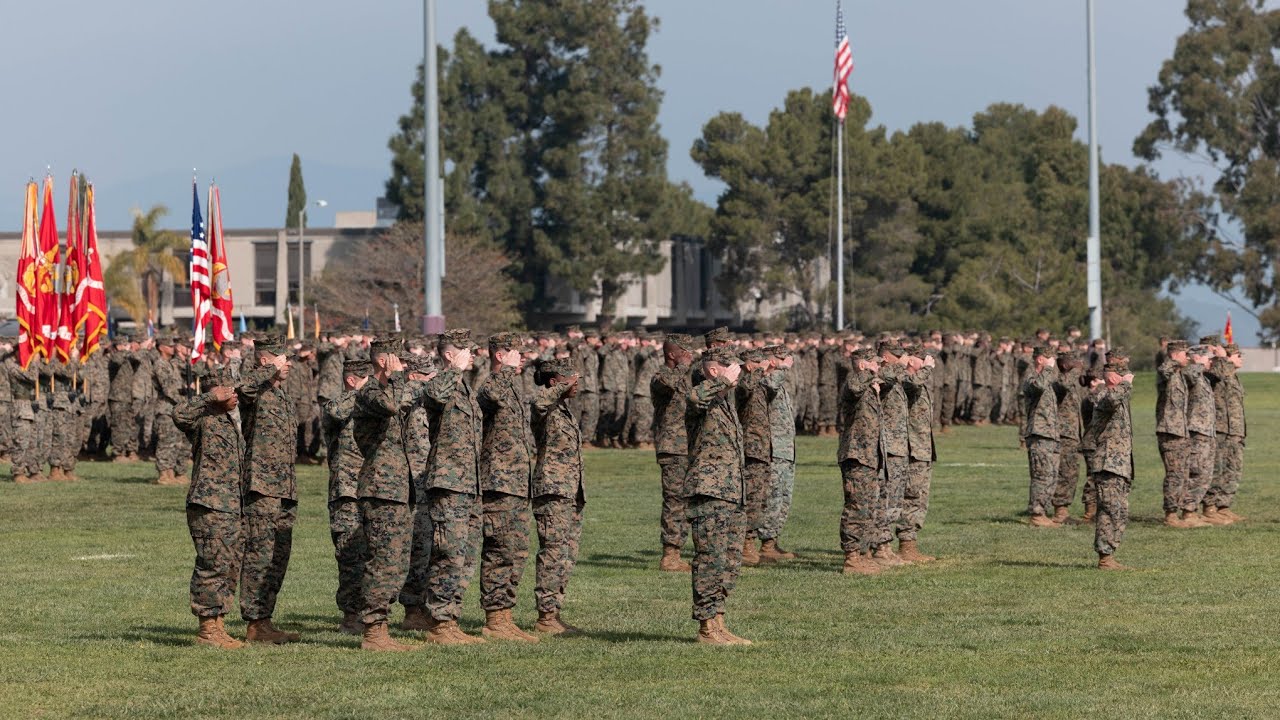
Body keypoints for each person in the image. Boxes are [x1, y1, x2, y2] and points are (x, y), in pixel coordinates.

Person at [351, 339, 436, 651]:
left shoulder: (392, 390)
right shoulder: (370, 391)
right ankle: (373, 632)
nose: (403, 363)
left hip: (398, 489)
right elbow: (389, 404)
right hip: (380, 489)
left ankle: (382, 627)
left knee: (397, 562)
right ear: (384, 361)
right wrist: (396, 375)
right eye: (398, 358)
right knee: (384, 561)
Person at [420, 329, 487, 645]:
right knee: (448, 551)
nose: (472, 354)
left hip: (468, 482)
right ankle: (439, 623)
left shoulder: (465, 388)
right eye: (466, 350)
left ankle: (452, 619)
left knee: (465, 554)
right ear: (449, 354)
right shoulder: (440, 382)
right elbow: (434, 395)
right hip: (448, 482)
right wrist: (454, 369)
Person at [236, 336, 300, 643]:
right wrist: (267, 369)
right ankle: (254, 621)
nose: (288, 364)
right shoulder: (255, 390)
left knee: (278, 556)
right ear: (265, 361)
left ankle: (265, 619)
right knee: (259, 555)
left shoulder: (280, 394)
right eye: (282, 358)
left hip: (285, 487)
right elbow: (243, 387)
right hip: (261, 485)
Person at [684, 345, 750, 646]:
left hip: (731, 491)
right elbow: (696, 398)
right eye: (729, 366)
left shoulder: (724, 402)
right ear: (713, 370)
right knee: (710, 559)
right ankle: (706, 627)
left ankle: (719, 621)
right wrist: (724, 381)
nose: (736, 370)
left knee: (730, 559)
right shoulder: (702, 395)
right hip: (709, 490)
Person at [174, 369, 245, 648]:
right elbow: (179, 414)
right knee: (212, 564)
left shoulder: (228, 420)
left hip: (230, 504)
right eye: (229, 390)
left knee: (228, 565)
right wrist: (207, 397)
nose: (235, 394)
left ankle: (218, 625)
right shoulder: (201, 418)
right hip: (209, 503)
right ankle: (206, 629)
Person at [477, 332, 539, 643]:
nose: (523, 357)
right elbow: (490, 396)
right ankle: (494, 618)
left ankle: (505, 614)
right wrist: (506, 370)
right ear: (501, 355)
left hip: (516, 482)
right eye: (517, 352)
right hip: (498, 482)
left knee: (517, 551)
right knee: (500, 549)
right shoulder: (492, 382)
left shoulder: (512, 385)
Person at [530, 359, 586, 635]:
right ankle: (545, 616)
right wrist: (560, 385)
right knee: (552, 552)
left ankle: (554, 612)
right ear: (555, 382)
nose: (577, 383)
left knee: (567, 553)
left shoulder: (563, 410)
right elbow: (540, 403)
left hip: (569, 490)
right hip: (552, 490)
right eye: (570, 379)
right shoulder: (545, 406)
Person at [321, 359, 370, 635]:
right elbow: (336, 411)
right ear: (352, 381)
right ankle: (351, 616)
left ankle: (371, 612)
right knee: (350, 555)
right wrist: (366, 392)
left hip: (372, 487)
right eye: (366, 379)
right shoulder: (338, 406)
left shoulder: (370, 403)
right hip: (347, 491)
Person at [1082, 351, 1135, 570]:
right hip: (1107, 463)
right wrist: (1125, 384)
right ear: (1113, 377)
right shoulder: (1104, 395)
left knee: (1116, 510)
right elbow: (1113, 398)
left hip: (1118, 463)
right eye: (1122, 376)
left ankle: (1107, 555)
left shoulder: (1116, 395)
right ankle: (1105, 556)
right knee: (1112, 509)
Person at [651, 333, 695, 572]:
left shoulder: (686, 376)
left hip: (689, 446)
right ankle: (670, 555)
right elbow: (669, 385)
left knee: (688, 500)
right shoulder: (661, 376)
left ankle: (680, 551)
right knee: (674, 501)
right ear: (672, 354)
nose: (689, 357)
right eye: (684, 352)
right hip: (672, 447)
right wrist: (684, 367)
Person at [734, 349, 775, 566]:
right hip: (750, 448)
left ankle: (750, 542)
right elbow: (744, 389)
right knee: (750, 497)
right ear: (750, 366)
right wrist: (761, 372)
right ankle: (744, 544)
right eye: (758, 363)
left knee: (759, 498)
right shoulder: (742, 382)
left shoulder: (758, 383)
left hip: (761, 448)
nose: (765, 366)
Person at [758, 344, 798, 562]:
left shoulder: (778, 381)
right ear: (772, 361)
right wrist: (782, 369)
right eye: (782, 358)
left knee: (783, 497)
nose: (787, 361)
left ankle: (771, 541)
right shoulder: (766, 380)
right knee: (772, 498)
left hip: (785, 449)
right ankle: (765, 543)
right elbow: (770, 385)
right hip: (774, 449)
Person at [898, 345, 937, 562]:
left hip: (922, 447)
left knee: (920, 496)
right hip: (911, 448)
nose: (927, 362)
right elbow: (912, 383)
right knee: (911, 496)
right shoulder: (906, 379)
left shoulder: (917, 380)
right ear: (911, 361)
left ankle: (910, 542)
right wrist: (927, 369)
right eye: (922, 359)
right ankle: (906, 544)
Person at [873, 340, 911, 564]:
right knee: (884, 499)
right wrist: (900, 366)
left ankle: (885, 547)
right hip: (887, 448)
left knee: (894, 499)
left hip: (898, 447)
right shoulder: (881, 374)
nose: (902, 359)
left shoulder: (894, 375)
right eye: (898, 356)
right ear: (886, 357)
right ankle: (880, 547)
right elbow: (884, 378)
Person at [1155, 340, 1199, 528]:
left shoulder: (1180, 374)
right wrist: (1173, 360)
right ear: (1174, 355)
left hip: (1181, 430)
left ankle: (1178, 512)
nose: (1187, 357)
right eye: (1184, 354)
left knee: (1182, 473)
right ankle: (1171, 515)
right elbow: (1163, 369)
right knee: (1174, 474)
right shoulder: (1167, 372)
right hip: (1170, 431)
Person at [1206, 343, 1246, 522]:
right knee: (1217, 468)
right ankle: (1211, 507)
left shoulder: (1234, 377)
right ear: (1227, 358)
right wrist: (1221, 358)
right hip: (1221, 429)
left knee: (1233, 469)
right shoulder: (1220, 373)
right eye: (1237, 355)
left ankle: (1224, 505)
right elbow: (1218, 374)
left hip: (1235, 431)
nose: (1241, 358)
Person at [1021, 346, 1061, 527]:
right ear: (1040, 359)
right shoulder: (1031, 378)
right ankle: (1036, 514)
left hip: (1050, 433)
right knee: (1041, 475)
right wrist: (1049, 368)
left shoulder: (1048, 378)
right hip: (1039, 433)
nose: (1053, 360)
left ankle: (1043, 511)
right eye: (1049, 357)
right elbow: (1039, 386)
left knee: (1051, 475)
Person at [1049, 351, 1085, 523]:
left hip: (1073, 432)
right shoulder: (1059, 379)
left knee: (1071, 472)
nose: (1078, 364)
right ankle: (1060, 511)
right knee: (1065, 472)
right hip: (1063, 433)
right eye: (1074, 362)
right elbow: (1063, 385)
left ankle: (1063, 509)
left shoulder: (1071, 379)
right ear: (1064, 365)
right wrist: (1076, 371)